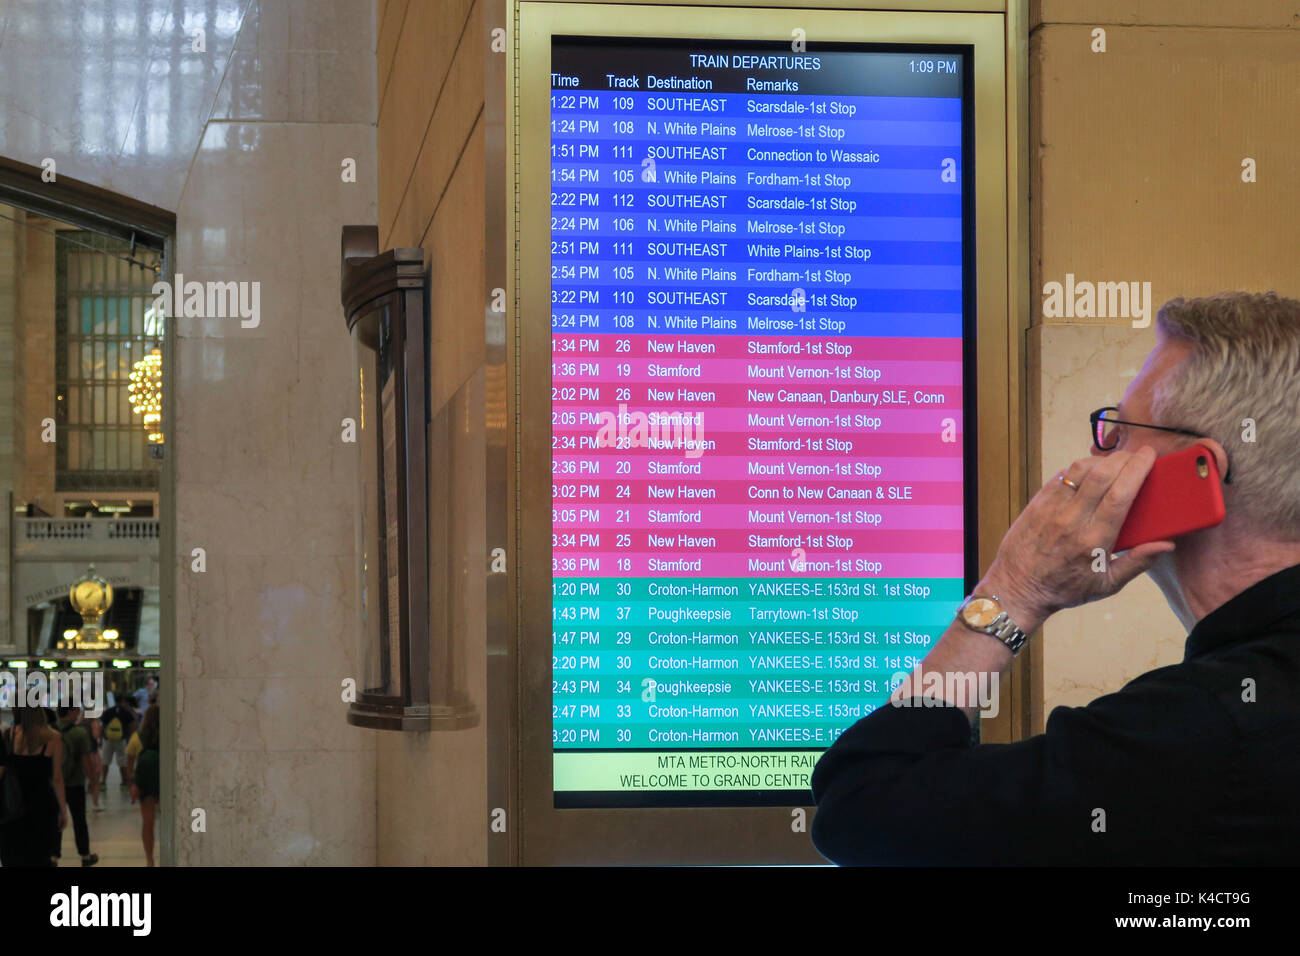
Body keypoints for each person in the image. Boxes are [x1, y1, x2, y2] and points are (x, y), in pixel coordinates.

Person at [811, 291, 1300, 864]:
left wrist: (1013, 591)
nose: (1095, 453)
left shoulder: (1201, 729)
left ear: (1199, 477)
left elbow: (862, 805)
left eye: (1119, 430)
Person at [0, 705, 67, 866]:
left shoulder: (8, 735)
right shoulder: (54, 738)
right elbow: (57, 778)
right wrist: (63, 810)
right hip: (42, 806)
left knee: (12, 856)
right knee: (40, 857)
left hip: (12, 807)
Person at [53, 706, 98, 866]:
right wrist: (93, 781)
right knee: (79, 820)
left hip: (55, 784)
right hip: (75, 783)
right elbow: (86, 761)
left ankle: (53, 856)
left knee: (55, 819)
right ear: (70, 711)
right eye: (77, 710)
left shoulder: (51, 731)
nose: (79, 713)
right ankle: (85, 856)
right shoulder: (79, 733)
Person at [129, 704, 160, 867]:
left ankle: (150, 859)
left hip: (145, 782)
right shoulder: (170, 735)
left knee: (148, 823)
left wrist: (132, 784)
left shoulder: (137, 737)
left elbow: (130, 762)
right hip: (164, 780)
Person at [99, 696, 136, 790]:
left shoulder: (108, 711)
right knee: (122, 762)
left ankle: (103, 782)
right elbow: (132, 725)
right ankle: (124, 782)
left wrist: (100, 739)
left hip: (108, 740)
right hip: (121, 740)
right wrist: (130, 737)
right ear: (123, 701)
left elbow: (102, 726)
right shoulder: (126, 712)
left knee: (105, 761)